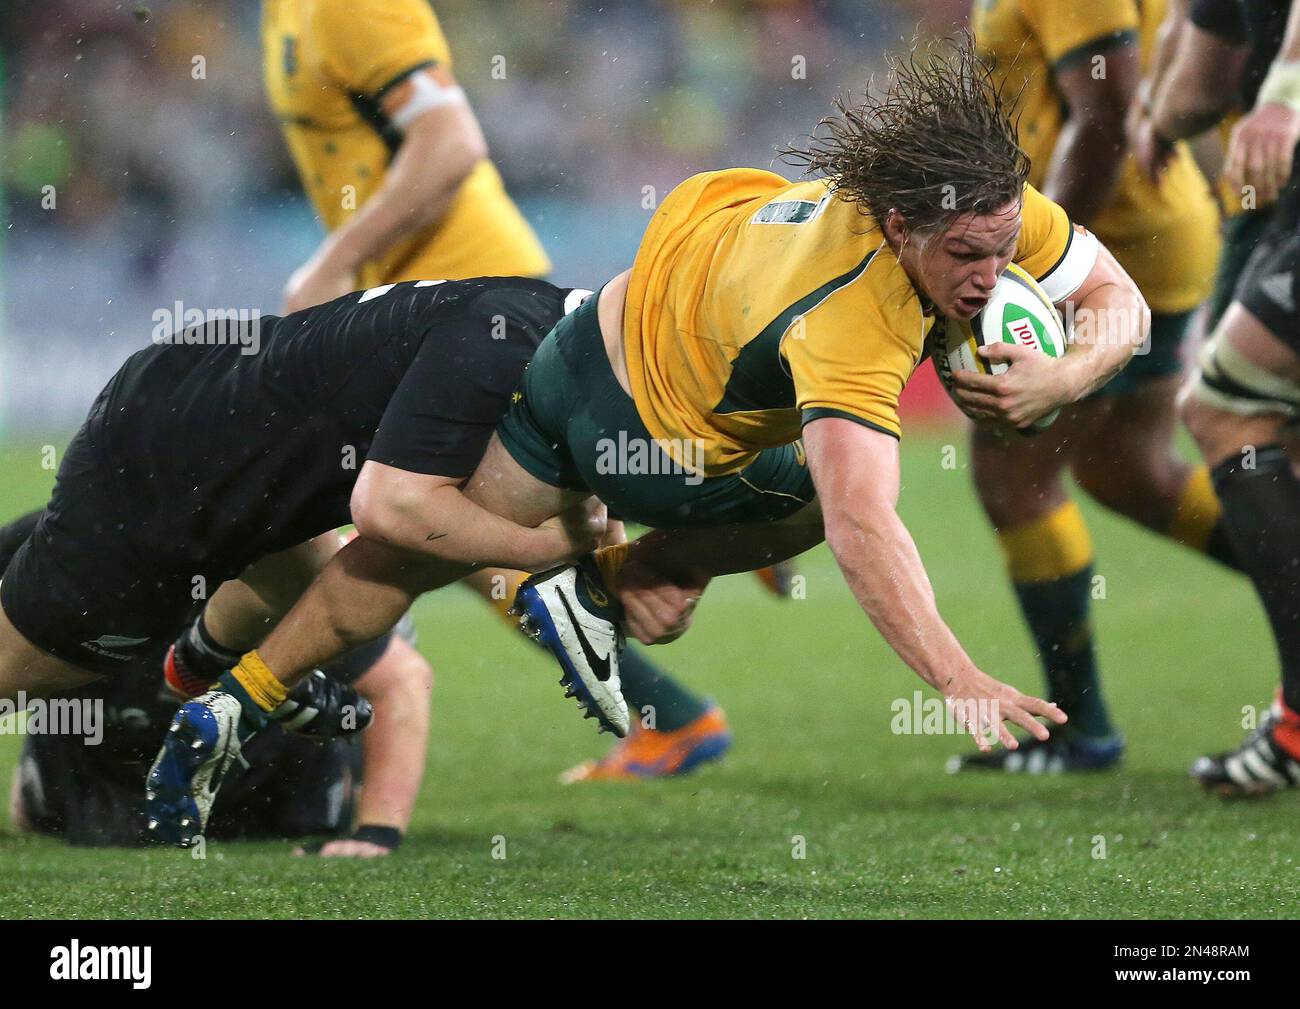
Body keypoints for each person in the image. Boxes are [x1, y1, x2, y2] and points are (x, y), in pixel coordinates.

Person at [152, 35, 1152, 846]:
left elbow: (1120, 302)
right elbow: (862, 524)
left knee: (407, 553)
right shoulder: (854, 319)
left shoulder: (964, 208)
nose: (990, 276)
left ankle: (227, 701)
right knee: (816, 494)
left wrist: (1067, 372)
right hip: (648, 435)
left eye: (1004, 250)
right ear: (897, 228)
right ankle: (602, 583)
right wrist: (954, 675)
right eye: (966, 257)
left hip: (577, 344)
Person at [263, 0, 734, 781]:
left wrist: (332, 262)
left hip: (469, 299)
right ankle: (680, 673)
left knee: (439, 523)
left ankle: (721, 512)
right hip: (415, 307)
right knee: (459, 529)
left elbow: (451, 145)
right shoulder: (285, 13)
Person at [948, 0, 1234, 775]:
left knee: (1013, 468)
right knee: (1129, 472)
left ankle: (1083, 727)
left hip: (1112, 251)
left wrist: (1027, 263)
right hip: (1152, 237)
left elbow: (1105, 111)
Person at [1149, 0, 1300, 794]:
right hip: (1279, 203)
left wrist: (1282, 96)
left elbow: (1189, 96)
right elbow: (1194, 89)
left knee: (1222, 411)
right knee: (1279, 435)